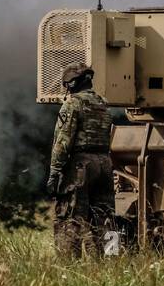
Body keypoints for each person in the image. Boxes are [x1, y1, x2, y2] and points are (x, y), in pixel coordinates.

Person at [48, 62, 115, 257]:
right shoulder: (103, 103)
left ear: (71, 83)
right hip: (105, 163)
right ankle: (110, 264)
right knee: (104, 219)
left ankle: (69, 268)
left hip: (81, 166)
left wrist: (55, 171)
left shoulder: (73, 103)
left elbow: (63, 140)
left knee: (70, 218)